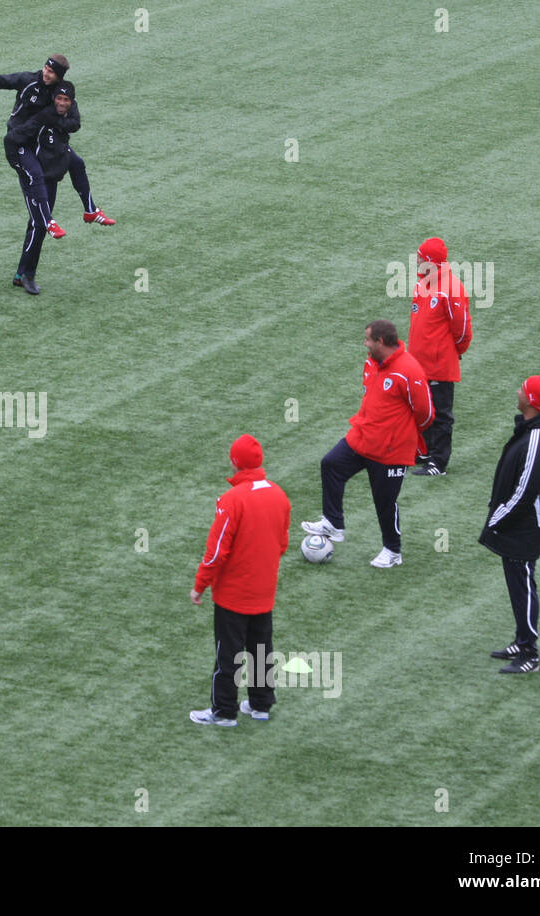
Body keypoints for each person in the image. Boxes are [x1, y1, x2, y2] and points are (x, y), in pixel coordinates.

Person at [302, 320, 434, 567]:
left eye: (367, 339)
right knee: (331, 464)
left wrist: (400, 433)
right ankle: (333, 523)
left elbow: (426, 413)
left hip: (391, 449)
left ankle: (393, 551)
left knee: (384, 501)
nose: (365, 344)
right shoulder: (371, 362)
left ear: (380, 342)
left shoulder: (409, 370)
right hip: (361, 438)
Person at [188, 435, 291, 727]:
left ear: (235, 463)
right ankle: (260, 704)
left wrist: (200, 585)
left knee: (228, 653)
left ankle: (224, 711)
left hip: (234, 593)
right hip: (264, 590)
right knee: (261, 648)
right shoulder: (279, 495)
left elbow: (216, 552)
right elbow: (281, 543)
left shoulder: (231, 501)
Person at [0, 54, 115, 231]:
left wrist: (54, 122)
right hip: (19, 139)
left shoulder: (60, 93)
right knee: (35, 176)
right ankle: (47, 221)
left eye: (51, 72)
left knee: (77, 163)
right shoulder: (28, 80)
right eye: (46, 68)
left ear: (59, 76)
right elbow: (1, 80)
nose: (46, 73)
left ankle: (90, 210)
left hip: (41, 139)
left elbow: (74, 122)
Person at [480, 376, 540, 674]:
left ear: (530, 400)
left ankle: (529, 653)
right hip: (521, 521)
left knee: (523, 584)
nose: (517, 391)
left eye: (522, 388)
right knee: (517, 582)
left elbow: (525, 489)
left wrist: (497, 518)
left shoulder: (537, 439)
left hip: (524, 524)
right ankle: (522, 638)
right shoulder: (533, 430)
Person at [407, 237, 472, 476]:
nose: (416, 261)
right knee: (421, 409)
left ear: (431, 262)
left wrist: (455, 351)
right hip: (419, 363)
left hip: (439, 363)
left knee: (441, 414)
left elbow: (462, 327)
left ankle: (438, 462)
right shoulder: (422, 283)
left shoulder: (452, 288)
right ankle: (424, 452)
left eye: (420, 258)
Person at [8, 82, 79, 294]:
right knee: (39, 223)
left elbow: (75, 123)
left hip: (51, 175)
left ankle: (22, 273)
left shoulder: (66, 112)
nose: (62, 102)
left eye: (67, 100)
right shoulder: (40, 109)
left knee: (37, 224)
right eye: (59, 98)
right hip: (33, 174)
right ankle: (27, 275)